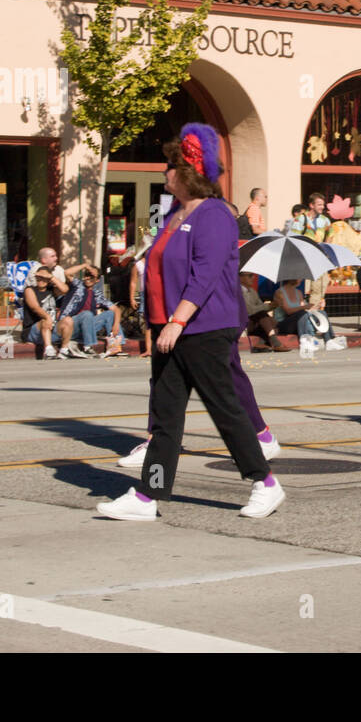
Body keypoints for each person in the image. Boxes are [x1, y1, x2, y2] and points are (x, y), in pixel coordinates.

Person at [96, 123, 283, 521]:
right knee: (166, 416)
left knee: (224, 409)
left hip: (202, 328)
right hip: (171, 328)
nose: (163, 172)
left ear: (187, 172)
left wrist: (178, 321)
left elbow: (206, 273)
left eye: (169, 165)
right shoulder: (176, 214)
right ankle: (149, 495)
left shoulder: (214, 213)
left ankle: (265, 483)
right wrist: (161, 323)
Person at [57, 264, 121, 356]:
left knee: (110, 314)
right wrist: (85, 266)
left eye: (92, 276)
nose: (88, 278)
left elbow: (116, 309)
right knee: (87, 314)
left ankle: (116, 346)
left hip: (87, 327)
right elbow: (67, 273)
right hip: (70, 325)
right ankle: (88, 347)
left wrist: (116, 325)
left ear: (97, 280)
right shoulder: (77, 285)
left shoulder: (97, 294)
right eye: (86, 275)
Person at [272, 278, 346, 351]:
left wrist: (317, 307)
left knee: (322, 313)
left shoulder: (298, 292)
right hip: (285, 324)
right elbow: (288, 311)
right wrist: (304, 307)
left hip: (300, 322)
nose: (301, 280)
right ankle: (305, 342)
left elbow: (304, 309)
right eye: (299, 278)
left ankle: (329, 340)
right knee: (302, 313)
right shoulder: (280, 292)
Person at [21, 264, 70, 358]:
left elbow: (65, 289)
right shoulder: (29, 290)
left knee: (68, 320)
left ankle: (64, 350)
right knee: (45, 320)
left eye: (44, 278)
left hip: (50, 330)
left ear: (49, 280)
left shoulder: (52, 290)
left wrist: (51, 277)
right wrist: (48, 317)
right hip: (32, 332)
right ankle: (48, 350)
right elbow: (35, 307)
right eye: (39, 278)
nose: (41, 280)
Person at [293, 193, 331, 307]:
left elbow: (331, 234)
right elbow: (294, 238)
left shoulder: (325, 220)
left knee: (318, 289)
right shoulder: (300, 219)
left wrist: (326, 247)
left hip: (319, 258)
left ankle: (312, 314)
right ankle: (298, 313)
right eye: (319, 204)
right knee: (299, 286)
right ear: (311, 205)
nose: (322, 207)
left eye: (323, 204)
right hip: (304, 258)